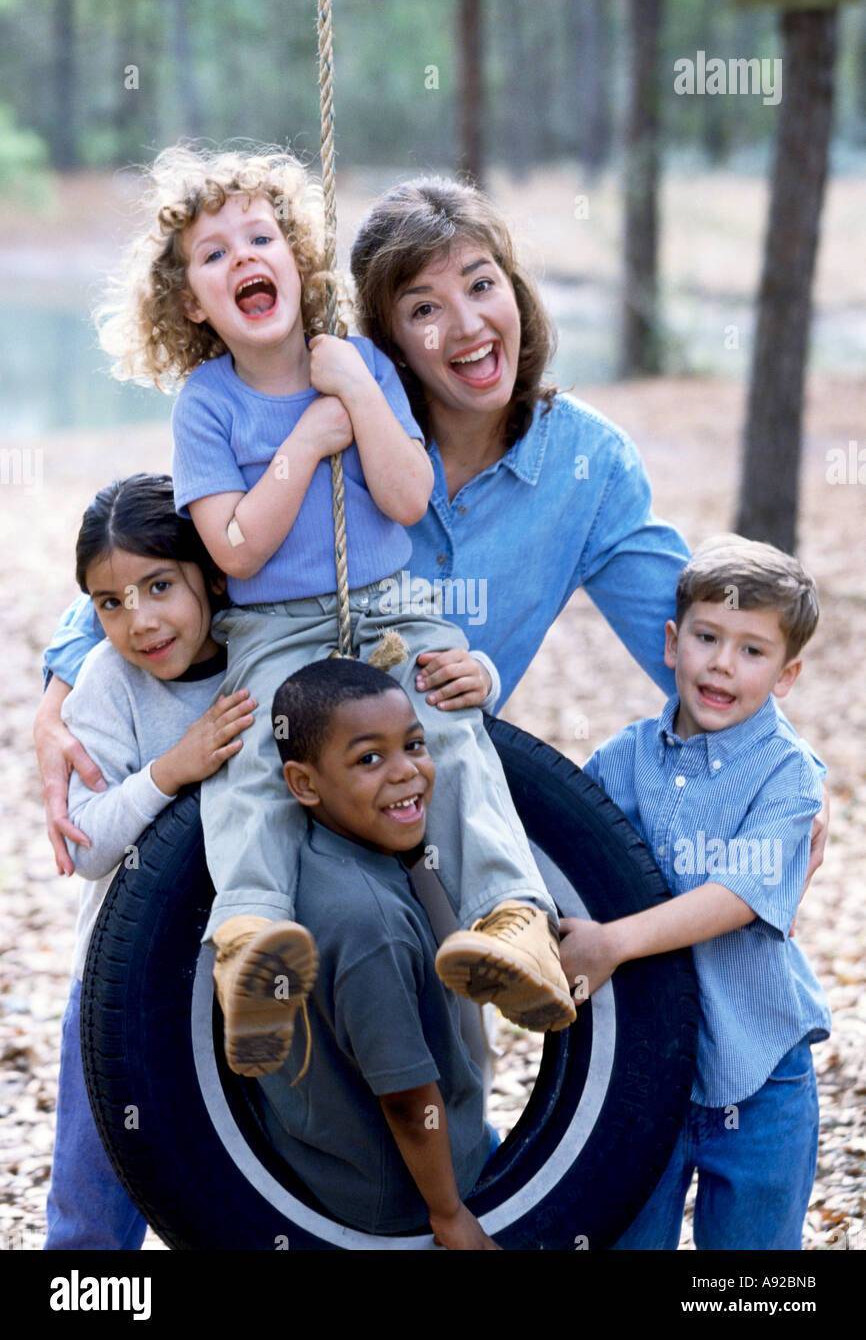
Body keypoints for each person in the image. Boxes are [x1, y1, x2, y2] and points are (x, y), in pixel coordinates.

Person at [35, 171, 828, 1019]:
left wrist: (785, 776)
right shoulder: (326, 403)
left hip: (423, 806)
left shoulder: (582, 466)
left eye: (483, 285)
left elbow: (701, 641)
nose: (467, 325)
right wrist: (64, 686)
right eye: (423, 308)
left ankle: (510, 929)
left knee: (433, 1061)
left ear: (515, 291)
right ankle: (241, 954)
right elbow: (173, 551)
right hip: (296, 757)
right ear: (391, 337)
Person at [55, 145, 579, 1081]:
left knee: (447, 730)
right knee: (254, 760)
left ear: (296, 258)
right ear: (189, 303)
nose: (243, 256)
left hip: (389, 608)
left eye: (260, 236)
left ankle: (515, 923)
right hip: (276, 626)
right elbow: (237, 550)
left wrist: (354, 392)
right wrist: (309, 434)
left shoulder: (363, 364)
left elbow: (409, 496)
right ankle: (251, 944)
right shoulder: (206, 407)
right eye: (212, 255)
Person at [558, 535, 831, 1250]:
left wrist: (612, 942)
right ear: (673, 643)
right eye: (707, 637)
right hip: (646, 1072)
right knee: (628, 1238)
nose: (721, 663)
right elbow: (567, 855)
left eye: (752, 650)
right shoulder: (624, 759)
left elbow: (737, 895)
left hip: (761, 1071)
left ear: (787, 673)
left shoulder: (788, 776)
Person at [44, 474, 256, 1250]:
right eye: (109, 602)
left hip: (251, 977)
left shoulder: (260, 655)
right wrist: (173, 768)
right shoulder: (108, 682)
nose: (139, 621)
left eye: (158, 585)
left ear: (210, 573)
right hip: (121, 985)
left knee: (247, 1196)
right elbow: (87, 839)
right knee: (90, 1208)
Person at [257, 657, 499, 1247]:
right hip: (400, 1194)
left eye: (413, 745)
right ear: (304, 784)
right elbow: (407, 1097)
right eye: (369, 758)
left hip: (327, 1158)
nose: (406, 774)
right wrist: (448, 1216)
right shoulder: (371, 924)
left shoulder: (311, 861)